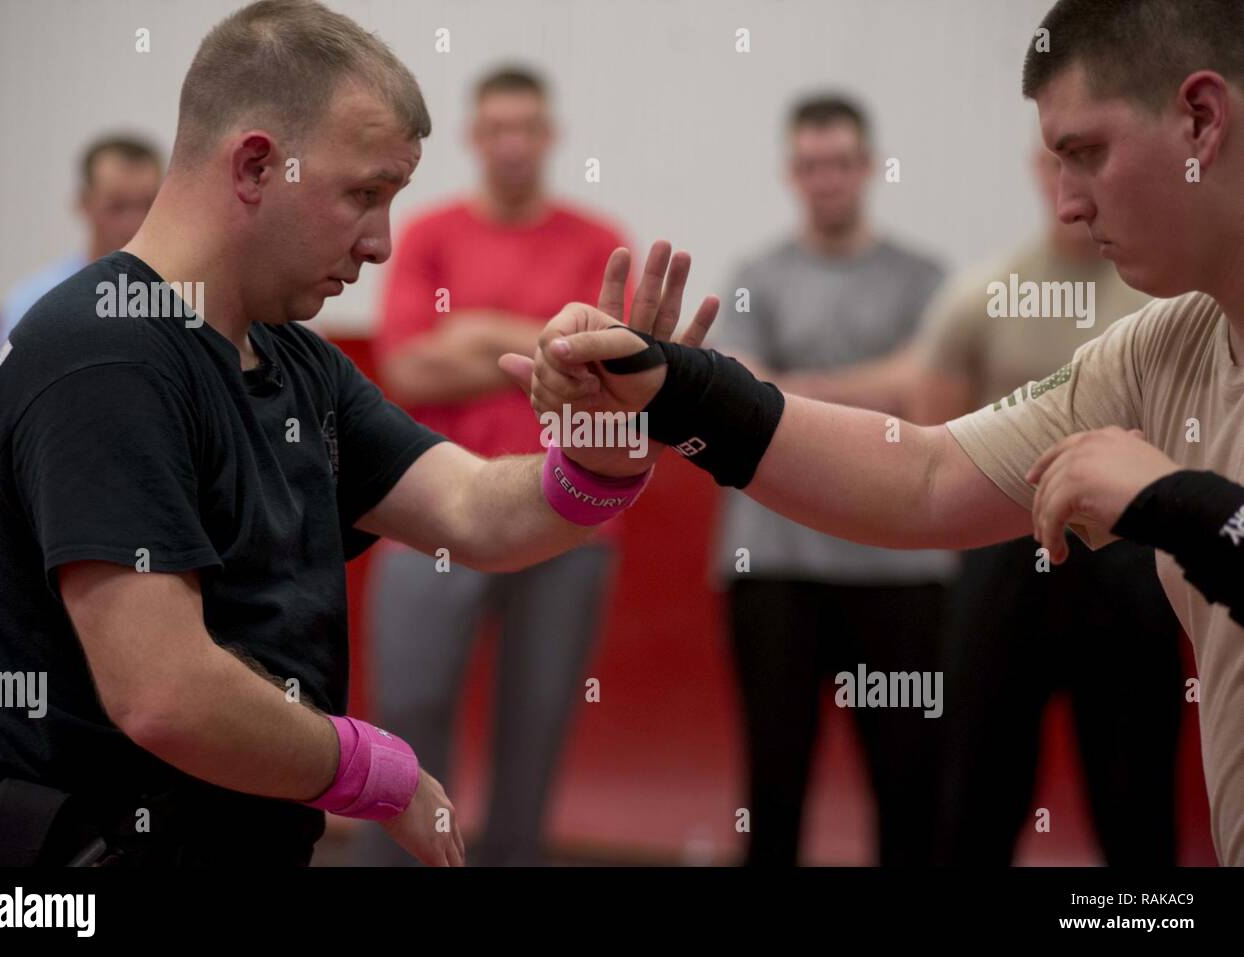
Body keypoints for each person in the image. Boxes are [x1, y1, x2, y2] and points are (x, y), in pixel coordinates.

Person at [0, 0, 714, 868]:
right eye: (364, 193)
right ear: (256, 165)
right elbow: (163, 692)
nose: (383, 242)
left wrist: (597, 460)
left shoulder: (290, 358)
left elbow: (469, 507)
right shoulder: (104, 353)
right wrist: (373, 770)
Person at [507, 0, 1244, 866]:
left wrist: (1178, 506)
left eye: (1087, 152)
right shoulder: (1162, 347)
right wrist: (674, 390)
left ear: (1200, 119)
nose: (1069, 204)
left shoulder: (948, 283)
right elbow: (925, 473)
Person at [787, 144, 1183, 864]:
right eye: (1057, 162)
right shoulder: (983, 294)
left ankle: (1146, 914)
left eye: (1091, 158)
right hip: (1005, 561)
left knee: (1136, 793)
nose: (1072, 184)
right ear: (1039, 173)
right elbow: (938, 445)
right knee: (978, 790)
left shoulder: (1165, 305)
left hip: (1132, 566)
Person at [367, 66, 632, 866]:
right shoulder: (426, 234)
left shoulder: (597, 241)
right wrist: (536, 343)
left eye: (528, 127)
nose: (513, 144)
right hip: (428, 509)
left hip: (570, 519)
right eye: (497, 128)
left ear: (549, 137)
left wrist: (474, 337)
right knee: (405, 717)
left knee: (538, 720)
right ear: (476, 137)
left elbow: (604, 378)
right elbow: (409, 370)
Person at [712, 94, 952, 866]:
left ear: (869, 167)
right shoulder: (753, 275)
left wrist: (790, 391)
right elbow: (741, 402)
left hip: (904, 566)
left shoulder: (925, 277)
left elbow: (925, 390)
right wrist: (868, 391)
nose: (827, 179)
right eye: (811, 165)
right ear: (793, 173)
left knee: (910, 785)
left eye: (841, 162)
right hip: (775, 568)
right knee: (774, 782)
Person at [0, 135, 162, 358]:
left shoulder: (183, 297)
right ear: (84, 202)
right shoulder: (34, 301)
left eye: (148, 204)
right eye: (117, 206)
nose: (134, 222)